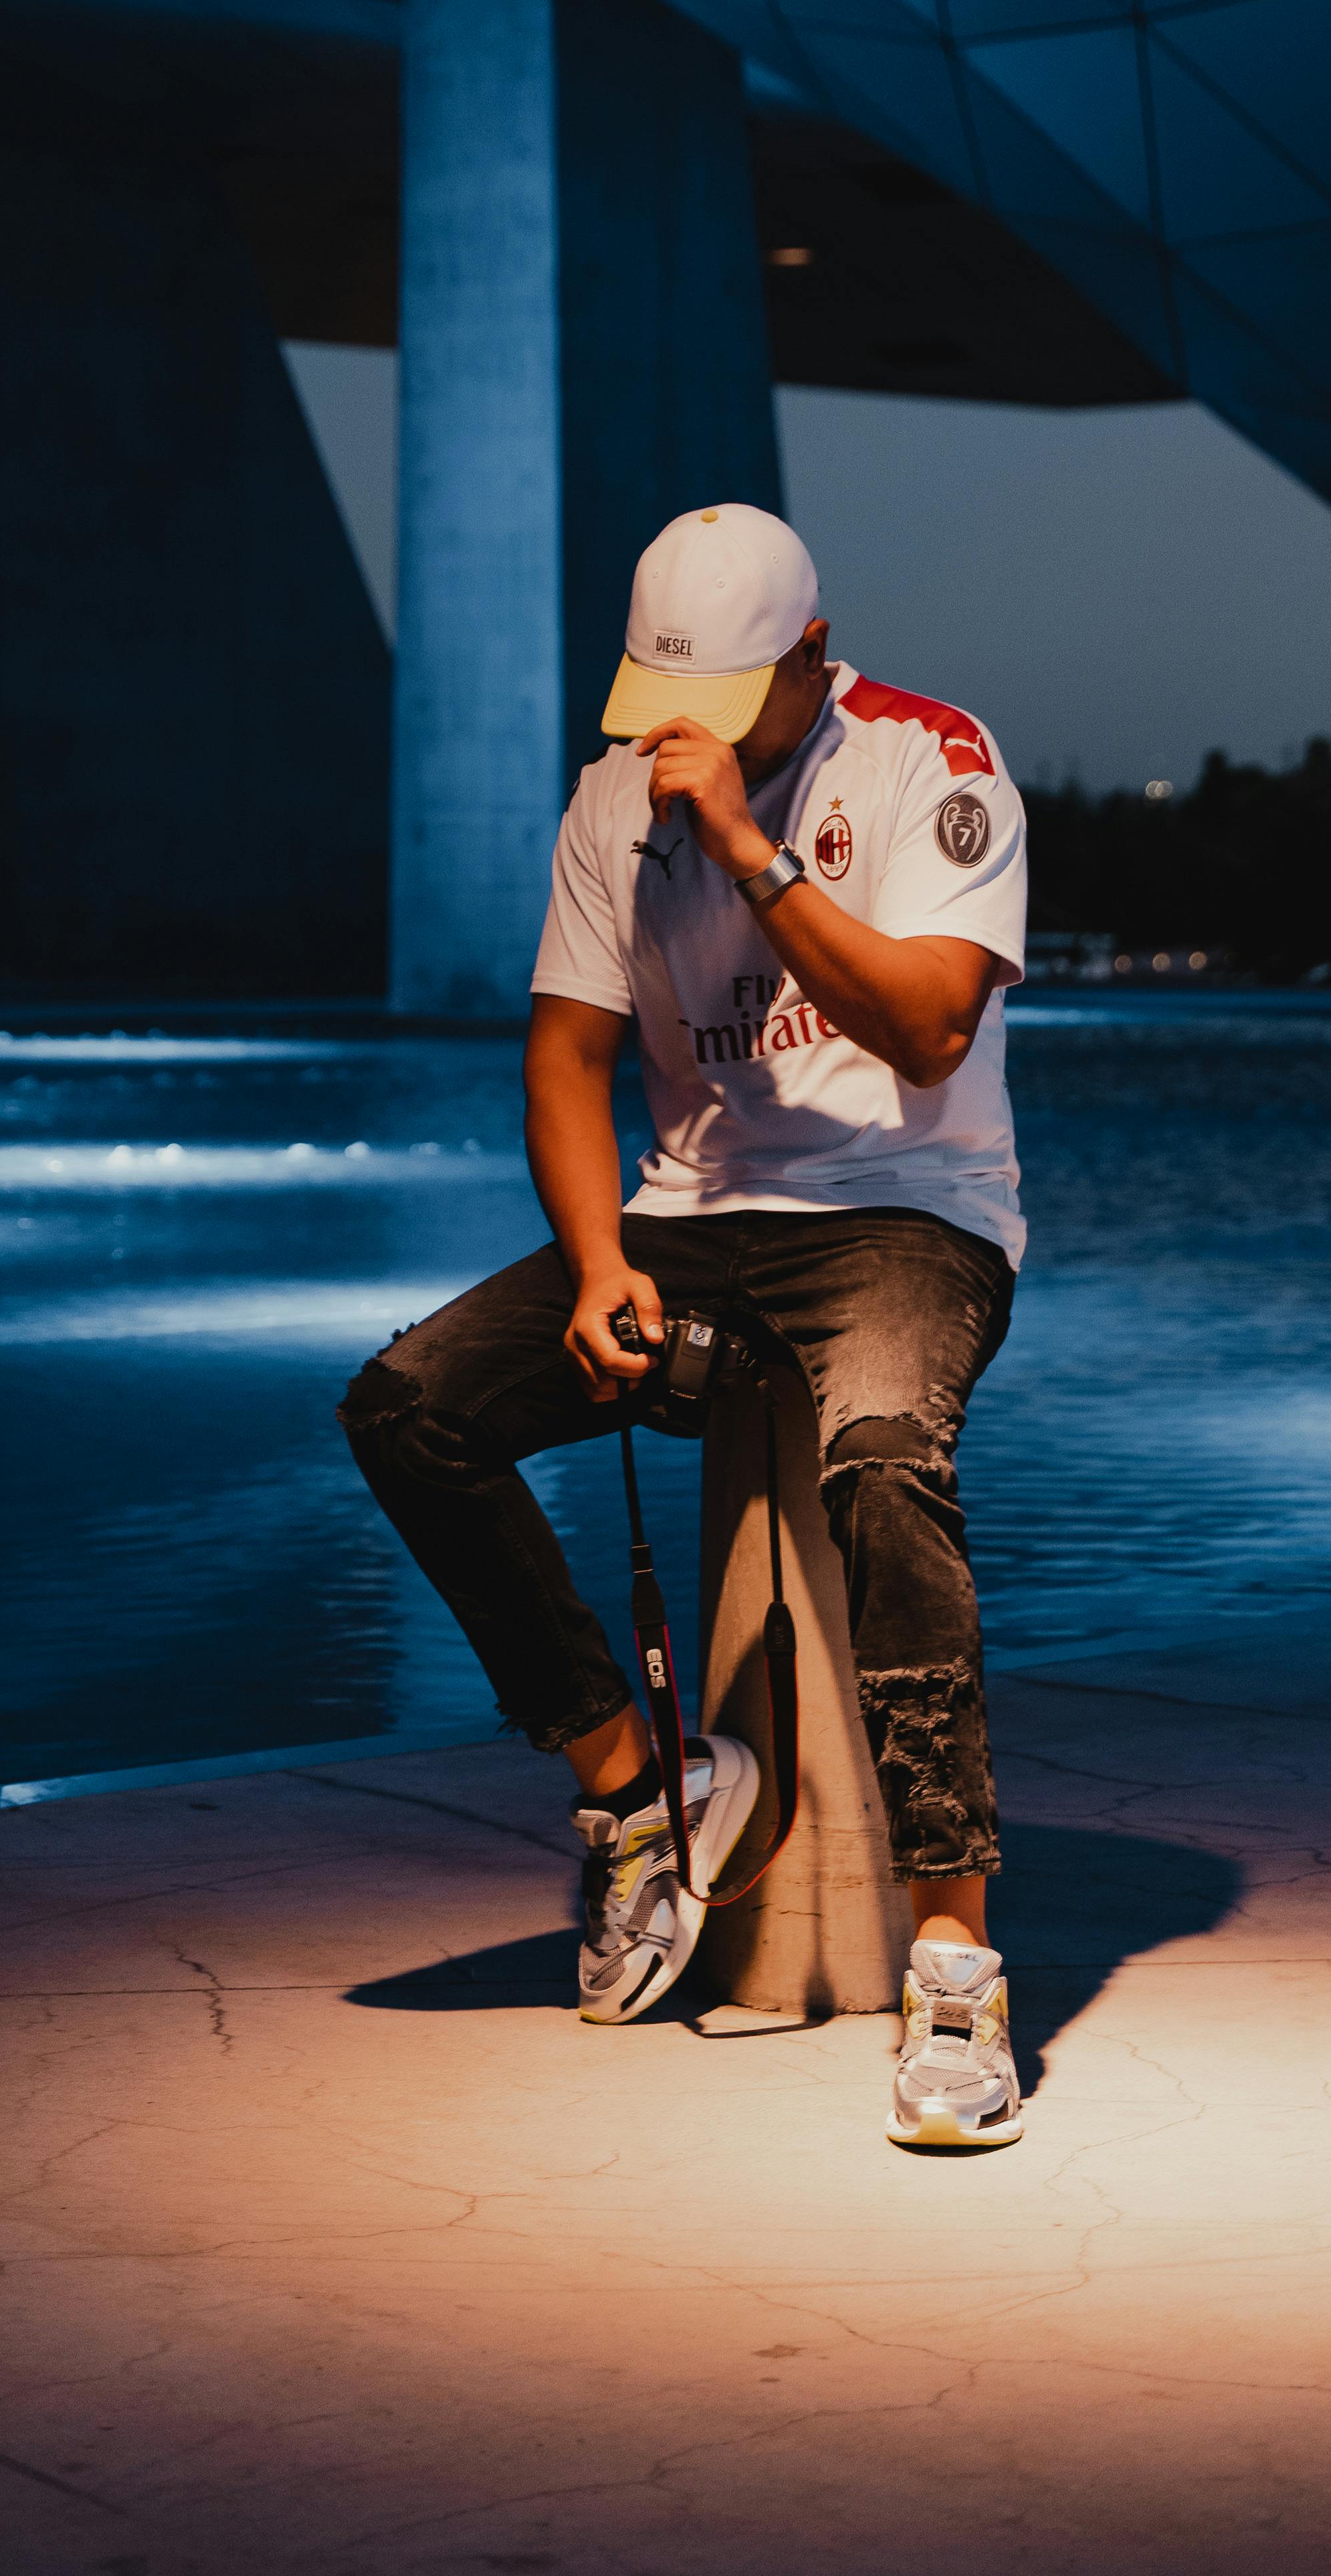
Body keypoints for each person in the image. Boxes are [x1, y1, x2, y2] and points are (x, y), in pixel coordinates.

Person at [340, 502, 1029, 2147]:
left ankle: (953, 1961)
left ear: (808, 654)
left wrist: (749, 854)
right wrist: (593, 1262)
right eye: (663, 702)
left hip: (908, 1218)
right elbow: (565, 1056)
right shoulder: (607, 798)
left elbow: (931, 1031)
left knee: (877, 1465)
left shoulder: (929, 756)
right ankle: (632, 1788)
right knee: (406, 1406)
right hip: (687, 1220)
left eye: (720, 708)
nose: (680, 742)